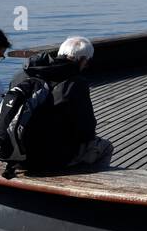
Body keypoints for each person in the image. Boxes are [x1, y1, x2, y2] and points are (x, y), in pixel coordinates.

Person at [12, 36, 112, 169]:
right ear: (82, 60)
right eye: (87, 62)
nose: (86, 66)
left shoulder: (22, 75)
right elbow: (87, 129)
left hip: (15, 152)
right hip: (50, 158)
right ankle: (88, 182)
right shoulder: (76, 83)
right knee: (105, 147)